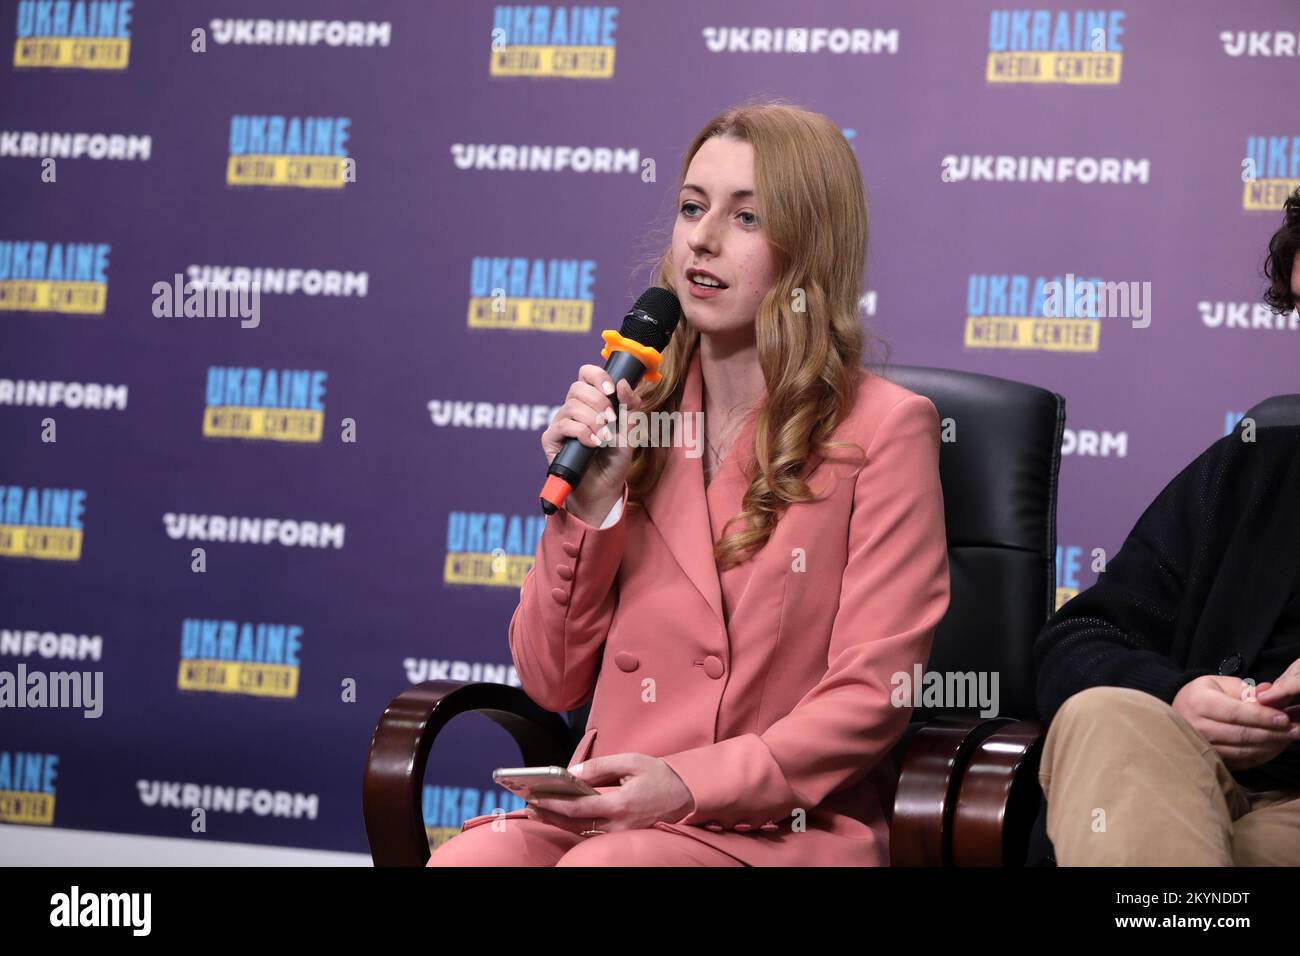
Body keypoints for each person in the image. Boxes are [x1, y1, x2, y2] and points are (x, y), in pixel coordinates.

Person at [428, 99, 950, 866]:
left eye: (746, 218)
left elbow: (873, 695)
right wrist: (593, 506)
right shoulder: (637, 411)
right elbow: (549, 680)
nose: (701, 239)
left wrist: (685, 782)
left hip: (775, 823)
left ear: (809, 248)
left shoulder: (885, 428)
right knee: (472, 860)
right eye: (691, 207)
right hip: (603, 811)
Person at [1029, 186, 1300, 866]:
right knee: (1106, 714)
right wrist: (1173, 694)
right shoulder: (1254, 463)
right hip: (1188, 790)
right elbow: (1083, 637)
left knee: (1252, 853)